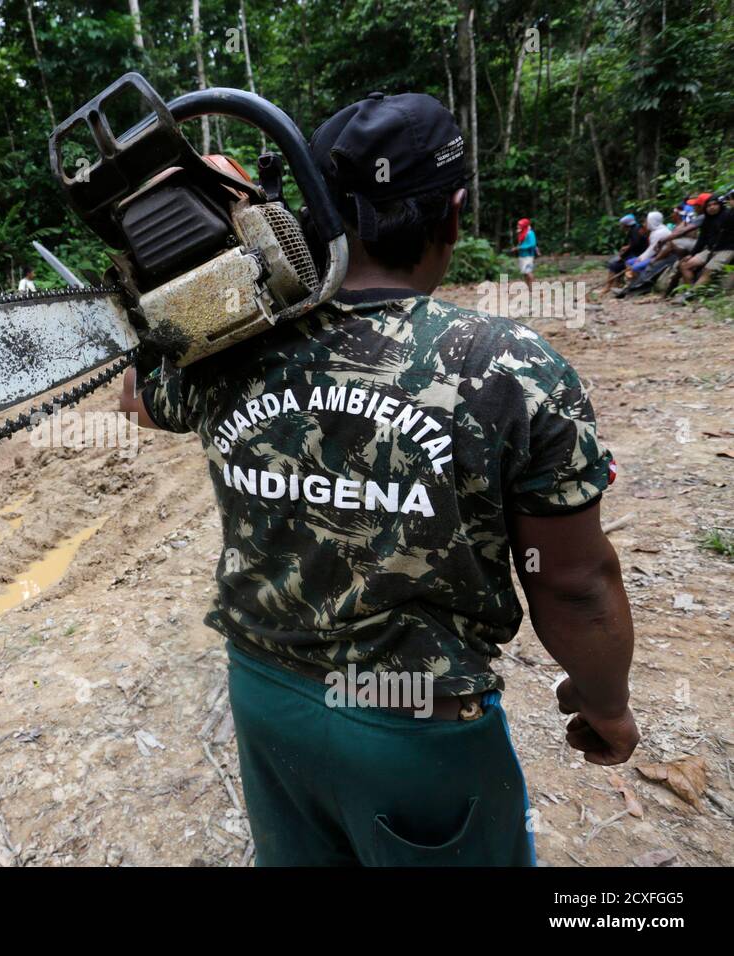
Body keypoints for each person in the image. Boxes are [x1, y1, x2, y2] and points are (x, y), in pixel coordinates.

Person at [118, 91, 637, 866]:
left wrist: (199, 298)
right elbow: (574, 585)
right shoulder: (508, 367)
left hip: (266, 698)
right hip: (414, 723)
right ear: (453, 211)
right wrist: (607, 705)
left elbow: (134, 396)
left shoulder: (234, 350)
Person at [678, 194, 734, 292]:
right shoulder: (707, 220)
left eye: (715, 204)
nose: (712, 207)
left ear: (720, 205)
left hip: (727, 250)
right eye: (709, 205)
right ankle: (690, 290)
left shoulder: (728, 215)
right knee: (685, 265)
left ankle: (691, 295)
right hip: (710, 249)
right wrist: (692, 254)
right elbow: (702, 239)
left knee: (708, 270)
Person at [603, 214, 649, 292]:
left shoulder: (634, 232)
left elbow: (635, 245)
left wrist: (624, 254)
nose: (620, 226)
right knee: (616, 262)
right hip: (638, 254)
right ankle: (615, 284)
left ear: (626, 225)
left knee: (614, 265)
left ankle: (608, 286)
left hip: (638, 255)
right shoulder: (636, 229)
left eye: (621, 225)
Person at [508, 217, 539, 291]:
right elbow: (522, 243)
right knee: (524, 273)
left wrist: (520, 248)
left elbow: (532, 244)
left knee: (528, 272)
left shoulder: (530, 233)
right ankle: (529, 288)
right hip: (522, 255)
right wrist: (517, 247)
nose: (518, 226)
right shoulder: (521, 233)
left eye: (520, 225)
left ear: (524, 225)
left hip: (528, 255)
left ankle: (534, 288)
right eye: (518, 225)